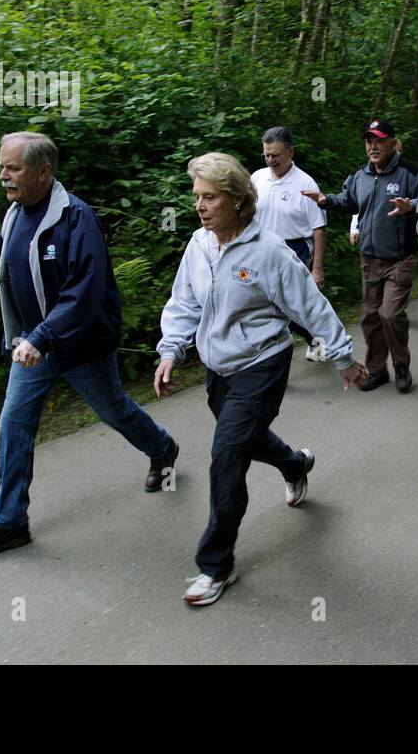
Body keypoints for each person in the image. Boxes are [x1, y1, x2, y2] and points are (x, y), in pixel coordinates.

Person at [0, 132, 180, 563]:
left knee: (113, 410)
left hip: (80, 344)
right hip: (35, 346)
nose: (3, 175)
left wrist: (42, 336)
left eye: (13, 168)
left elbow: (85, 291)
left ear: (44, 171)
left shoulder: (77, 218)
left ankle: (162, 448)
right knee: (14, 421)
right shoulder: (15, 213)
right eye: (1, 167)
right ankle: (10, 522)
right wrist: (23, 335)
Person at [156, 152, 368, 606]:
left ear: (237, 200)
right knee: (247, 441)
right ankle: (294, 464)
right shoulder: (199, 245)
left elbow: (309, 306)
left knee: (227, 453)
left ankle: (216, 566)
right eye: (197, 197)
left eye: (209, 197)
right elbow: (184, 303)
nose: (200, 206)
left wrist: (343, 356)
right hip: (219, 369)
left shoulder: (268, 252)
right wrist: (171, 350)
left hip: (262, 365)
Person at [302, 121, 418, 394]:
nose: (372, 147)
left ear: (392, 142)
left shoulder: (410, 172)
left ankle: (401, 364)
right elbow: (349, 202)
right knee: (371, 316)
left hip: (401, 257)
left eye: (378, 141)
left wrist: (412, 206)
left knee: (390, 313)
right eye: (368, 141)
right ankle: (377, 369)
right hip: (370, 258)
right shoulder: (359, 176)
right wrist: (326, 200)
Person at [251, 127, 329, 358]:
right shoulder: (257, 178)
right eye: (266, 155)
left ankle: (316, 337)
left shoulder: (305, 184)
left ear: (290, 152)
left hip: (294, 250)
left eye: (275, 155)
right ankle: (315, 336)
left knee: (287, 304)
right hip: (260, 248)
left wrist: (317, 268)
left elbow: (319, 228)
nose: (270, 160)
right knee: (264, 302)